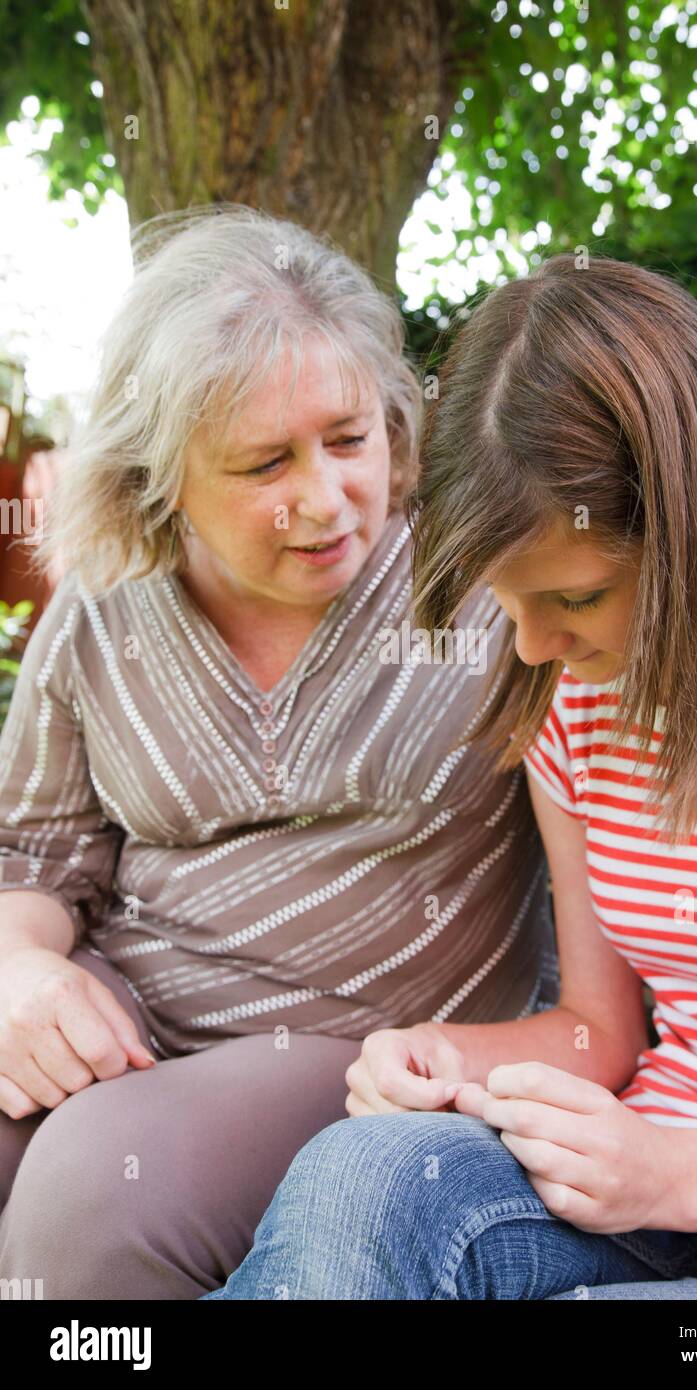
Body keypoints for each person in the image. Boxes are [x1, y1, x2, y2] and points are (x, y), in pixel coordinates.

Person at [202, 253, 697, 1300]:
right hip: (631, 1188)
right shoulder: (576, 704)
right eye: (506, 602)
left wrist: (680, 1177)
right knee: (361, 1177)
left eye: (576, 595)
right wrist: (435, 1056)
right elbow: (599, 1031)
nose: (532, 645)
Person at [0, 204, 562, 1300]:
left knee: (93, 1200)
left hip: (370, 1049)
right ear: (162, 475)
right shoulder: (104, 614)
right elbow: (34, 855)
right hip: (125, 1014)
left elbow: (690, 586)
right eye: (263, 463)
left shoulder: (482, 577)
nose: (322, 498)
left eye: (348, 439)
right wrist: (19, 968)